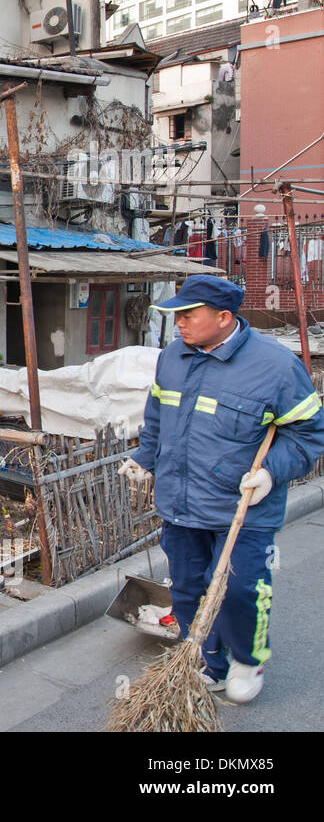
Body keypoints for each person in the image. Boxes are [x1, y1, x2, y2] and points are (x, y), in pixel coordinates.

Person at [119, 274, 324, 703]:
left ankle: (248, 661)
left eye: (188, 315)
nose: (179, 324)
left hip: (243, 508)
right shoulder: (173, 358)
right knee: (189, 587)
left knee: (241, 588)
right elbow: (158, 418)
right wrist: (144, 457)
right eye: (176, 316)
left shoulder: (277, 367)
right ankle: (210, 662)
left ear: (224, 317)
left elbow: (308, 435)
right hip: (181, 502)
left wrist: (270, 471)